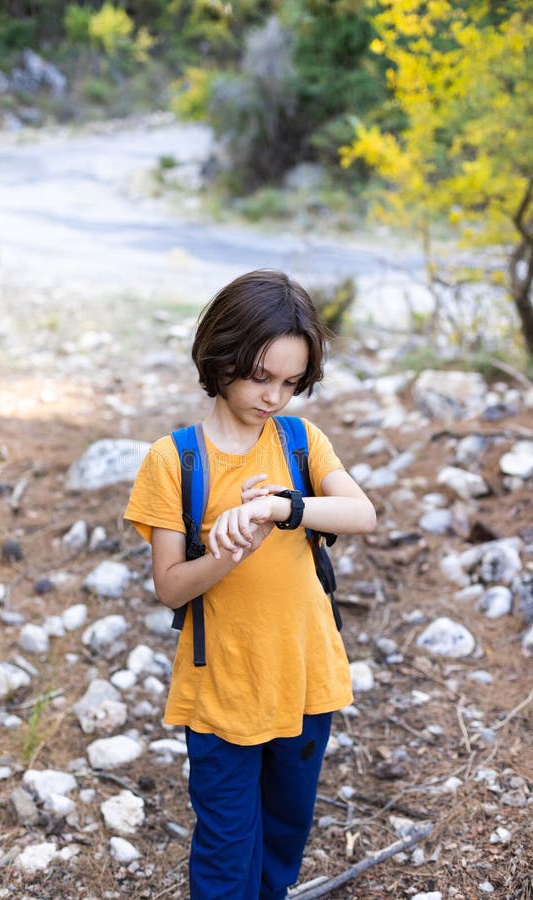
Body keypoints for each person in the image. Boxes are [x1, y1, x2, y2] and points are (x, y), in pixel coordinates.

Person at [124, 270, 376, 899]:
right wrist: (227, 550)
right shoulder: (175, 460)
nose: (274, 396)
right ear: (221, 356)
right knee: (225, 841)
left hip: (305, 676)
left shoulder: (299, 442)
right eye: (261, 376)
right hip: (224, 688)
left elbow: (362, 514)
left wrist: (282, 507)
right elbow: (171, 587)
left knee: (286, 831)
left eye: (291, 383)